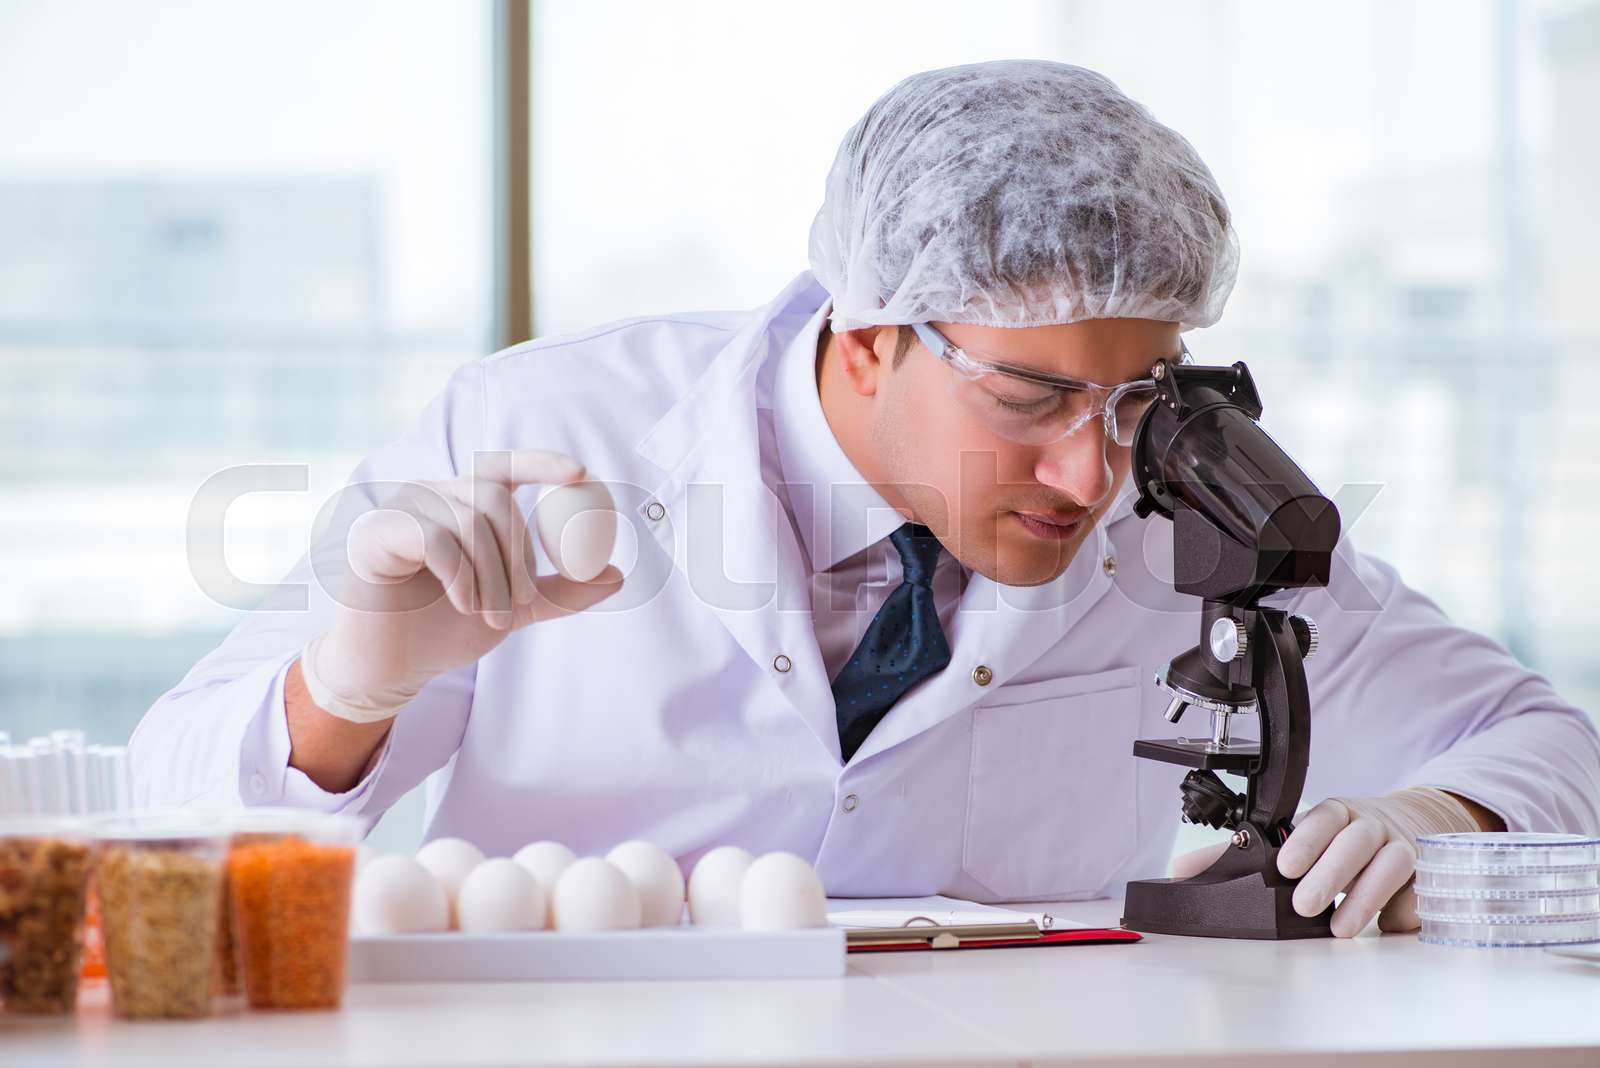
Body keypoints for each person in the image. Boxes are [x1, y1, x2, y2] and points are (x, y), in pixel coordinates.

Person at [133, 60, 1600, 937]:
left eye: (1137, 395)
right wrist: (341, 696)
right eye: (1029, 400)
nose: (1094, 475)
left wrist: (1450, 807)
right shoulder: (545, 429)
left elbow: (1552, 744)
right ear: (872, 332)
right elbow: (153, 828)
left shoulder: (1180, 504)